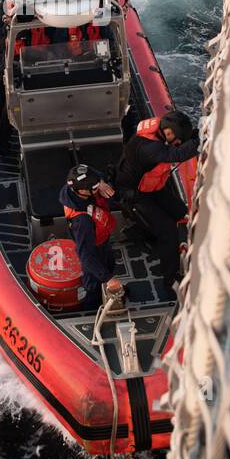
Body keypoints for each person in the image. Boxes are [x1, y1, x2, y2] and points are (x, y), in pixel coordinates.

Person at [116, 110, 199, 292]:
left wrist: (195, 133)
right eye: (177, 139)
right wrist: (198, 143)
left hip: (152, 188)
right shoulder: (149, 147)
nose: (178, 142)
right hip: (136, 195)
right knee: (168, 230)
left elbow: (175, 148)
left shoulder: (156, 134)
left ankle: (143, 231)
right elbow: (174, 155)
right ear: (168, 132)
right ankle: (170, 280)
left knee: (179, 211)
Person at [60, 164, 118, 312]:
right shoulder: (82, 221)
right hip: (93, 248)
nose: (98, 189)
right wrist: (108, 279)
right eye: (94, 187)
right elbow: (86, 257)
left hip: (102, 240)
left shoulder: (73, 189)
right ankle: (92, 310)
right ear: (82, 191)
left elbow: (91, 173)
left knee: (110, 263)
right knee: (93, 284)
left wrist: (101, 182)